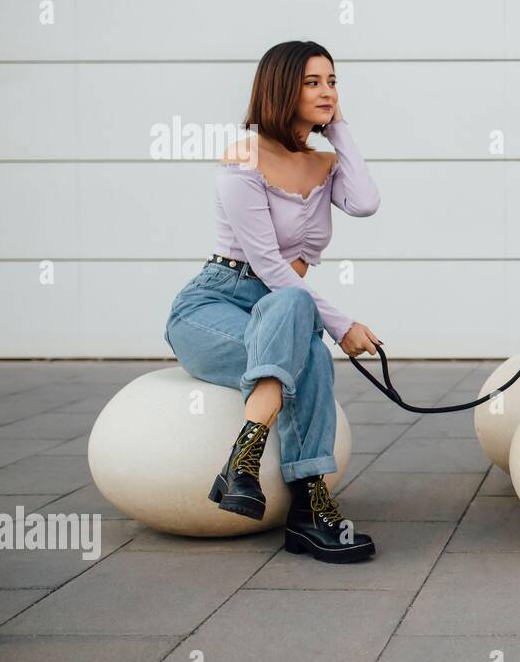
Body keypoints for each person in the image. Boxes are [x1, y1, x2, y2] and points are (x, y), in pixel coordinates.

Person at [163, 40, 382, 563]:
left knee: (294, 316)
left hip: (283, 303)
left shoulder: (325, 161)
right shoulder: (244, 153)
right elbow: (266, 264)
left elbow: (366, 203)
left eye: (332, 81)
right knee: (306, 341)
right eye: (312, 82)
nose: (327, 92)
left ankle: (242, 468)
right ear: (281, 88)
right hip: (215, 304)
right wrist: (343, 325)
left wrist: (340, 130)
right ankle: (310, 507)